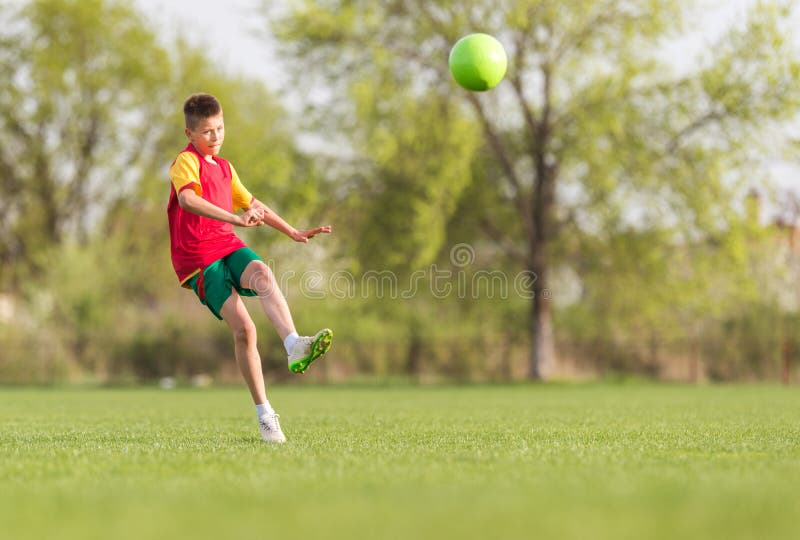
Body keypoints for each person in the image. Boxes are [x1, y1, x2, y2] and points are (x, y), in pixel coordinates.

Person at [167, 93, 333, 443]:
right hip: (198, 259)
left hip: (226, 244)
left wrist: (291, 231)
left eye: (220, 128)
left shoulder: (225, 167)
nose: (216, 136)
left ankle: (294, 345)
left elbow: (252, 203)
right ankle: (265, 415)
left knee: (264, 276)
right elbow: (188, 199)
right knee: (245, 330)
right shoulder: (185, 163)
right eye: (208, 131)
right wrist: (234, 219)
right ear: (190, 134)